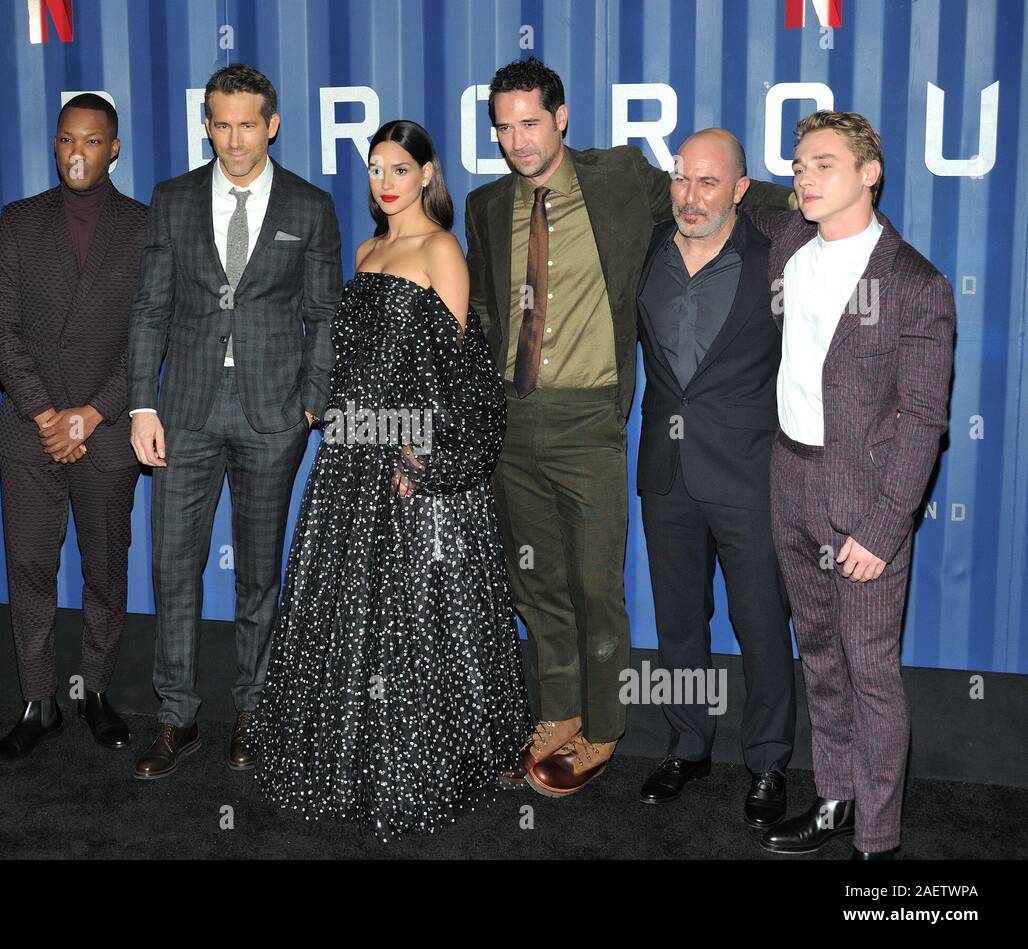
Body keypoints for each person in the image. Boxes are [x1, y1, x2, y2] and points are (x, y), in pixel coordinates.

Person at [464, 58, 794, 796]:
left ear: (562, 118)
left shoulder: (618, 179)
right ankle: (558, 709)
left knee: (594, 582)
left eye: (531, 122)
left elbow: (717, 191)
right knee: (537, 580)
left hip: (590, 420)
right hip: (514, 419)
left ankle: (605, 726)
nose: (518, 140)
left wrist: (821, 200)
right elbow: (485, 311)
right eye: (505, 126)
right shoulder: (486, 207)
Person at [252, 120, 531, 839]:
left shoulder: (443, 251)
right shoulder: (367, 248)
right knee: (343, 604)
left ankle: (428, 758)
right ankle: (344, 756)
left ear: (428, 174)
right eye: (375, 168)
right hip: (349, 452)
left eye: (399, 168)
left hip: (409, 454)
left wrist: (422, 458)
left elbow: (461, 376)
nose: (384, 181)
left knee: (418, 612)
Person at [746, 111, 955, 860]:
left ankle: (878, 840)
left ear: (871, 173)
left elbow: (926, 420)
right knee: (821, 657)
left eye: (823, 164)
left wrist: (885, 524)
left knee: (870, 671)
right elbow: (737, 199)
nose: (804, 176)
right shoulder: (791, 241)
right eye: (799, 164)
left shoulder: (914, 283)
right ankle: (834, 797)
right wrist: (714, 184)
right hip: (790, 479)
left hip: (864, 502)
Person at [126, 64, 342, 778]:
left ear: (271, 125)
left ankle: (254, 709)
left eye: (248, 123)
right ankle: (176, 716)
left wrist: (311, 403)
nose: (234, 138)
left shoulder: (310, 207)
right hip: (183, 411)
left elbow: (324, 315)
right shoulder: (173, 198)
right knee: (172, 568)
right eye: (220, 124)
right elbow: (151, 307)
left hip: (272, 414)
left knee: (258, 575)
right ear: (206, 125)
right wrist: (142, 404)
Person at [0, 94, 148, 764]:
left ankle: (98, 694)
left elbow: (149, 336)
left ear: (113, 148)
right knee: (30, 567)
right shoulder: (19, 221)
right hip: (30, 431)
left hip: (106, 433)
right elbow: (2, 329)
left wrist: (93, 412)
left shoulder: (144, 226)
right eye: (65, 140)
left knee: (105, 571)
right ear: (55, 146)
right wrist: (49, 415)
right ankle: (38, 700)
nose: (76, 152)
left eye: (91, 140)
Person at [634, 129, 793, 824]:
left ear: (739, 189)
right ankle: (688, 741)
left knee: (760, 623)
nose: (690, 196)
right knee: (677, 626)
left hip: (749, 472)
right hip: (666, 472)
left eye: (708, 182)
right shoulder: (646, 250)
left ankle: (768, 760)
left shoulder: (778, 257)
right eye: (680, 179)